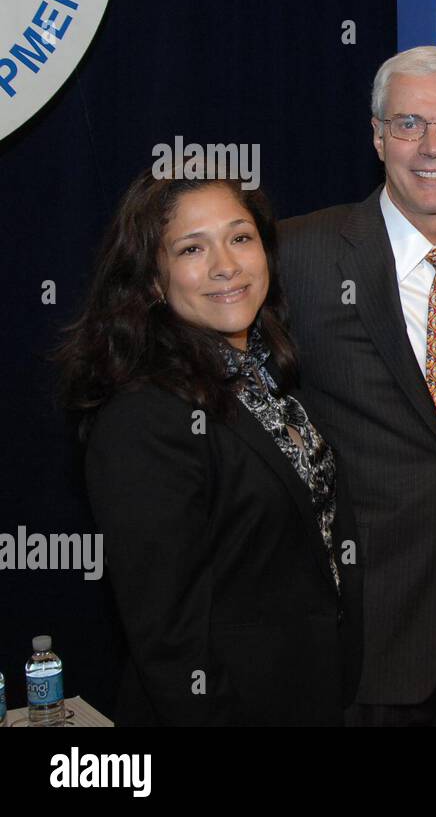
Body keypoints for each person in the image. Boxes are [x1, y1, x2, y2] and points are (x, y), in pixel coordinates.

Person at [56, 172, 361, 725]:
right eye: (192, 248)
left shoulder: (267, 382)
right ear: (151, 279)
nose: (226, 265)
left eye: (240, 238)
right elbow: (170, 639)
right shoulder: (144, 417)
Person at [278, 46, 436, 726]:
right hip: (362, 626)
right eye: (409, 124)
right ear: (378, 135)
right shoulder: (299, 253)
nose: (432, 146)